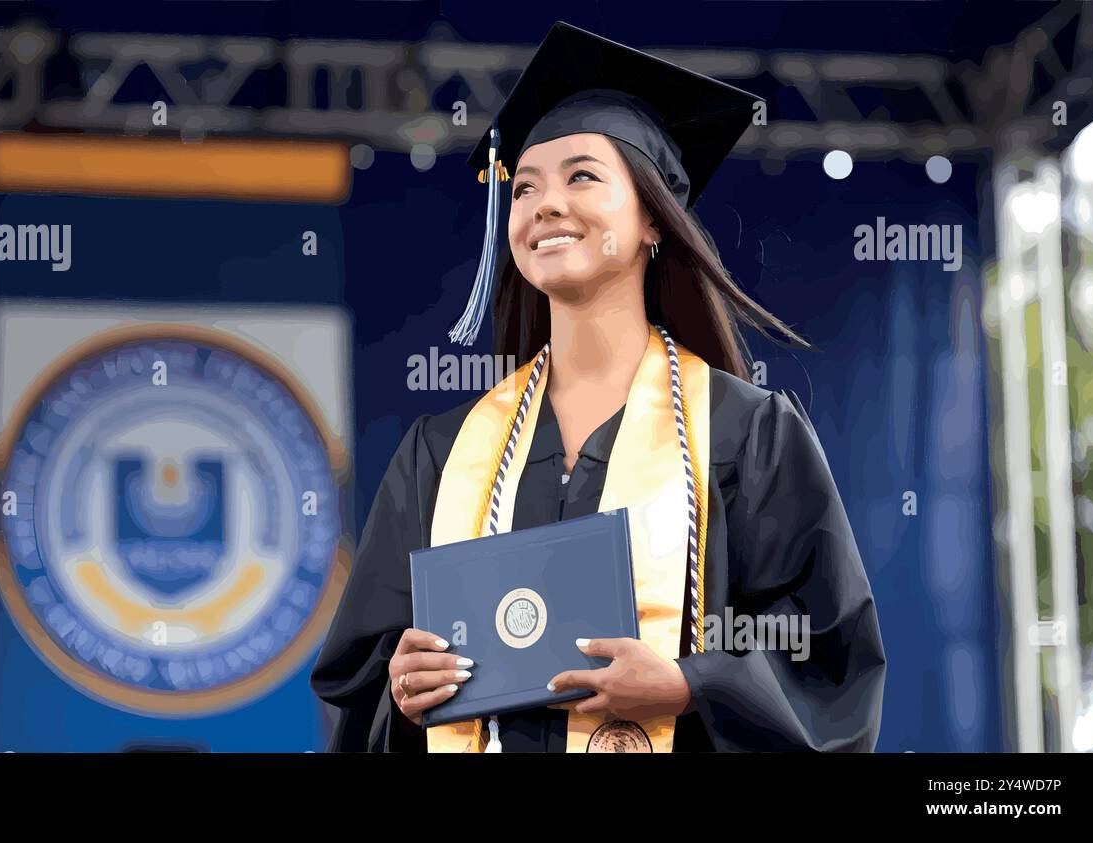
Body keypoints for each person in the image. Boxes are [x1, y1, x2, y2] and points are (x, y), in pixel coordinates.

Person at [310, 21, 886, 752]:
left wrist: (689, 685)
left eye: (582, 176)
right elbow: (356, 683)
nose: (545, 204)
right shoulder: (442, 453)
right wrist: (401, 690)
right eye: (524, 188)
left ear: (653, 219)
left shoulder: (748, 436)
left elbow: (829, 658)